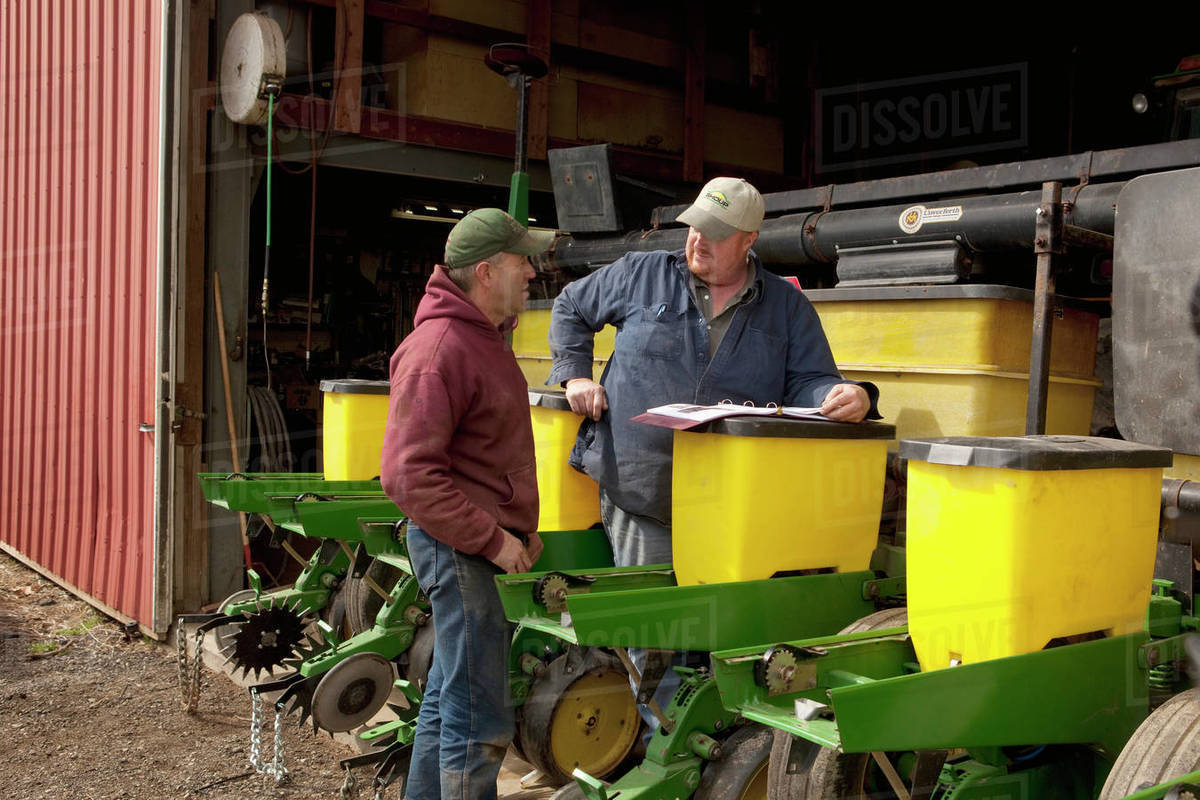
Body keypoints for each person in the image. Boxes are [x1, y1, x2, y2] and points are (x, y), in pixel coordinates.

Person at [548, 176, 880, 569]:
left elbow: (809, 381)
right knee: (648, 615)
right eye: (695, 226)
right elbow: (571, 306)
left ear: (748, 239)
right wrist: (576, 375)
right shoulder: (639, 273)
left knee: (714, 615)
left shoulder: (788, 307)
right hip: (642, 492)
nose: (699, 241)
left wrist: (847, 394)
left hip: (734, 503)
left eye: (716, 233)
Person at [380, 208, 551, 800]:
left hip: (471, 543)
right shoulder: (440, 349)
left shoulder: (484, 338)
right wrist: (494, 537)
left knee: (451, 700)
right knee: (479, 719)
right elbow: (408, 476)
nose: (532, 271)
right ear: (486, 271)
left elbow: (483, 456)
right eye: (522, 260)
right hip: (458, 550)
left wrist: (519, 525)